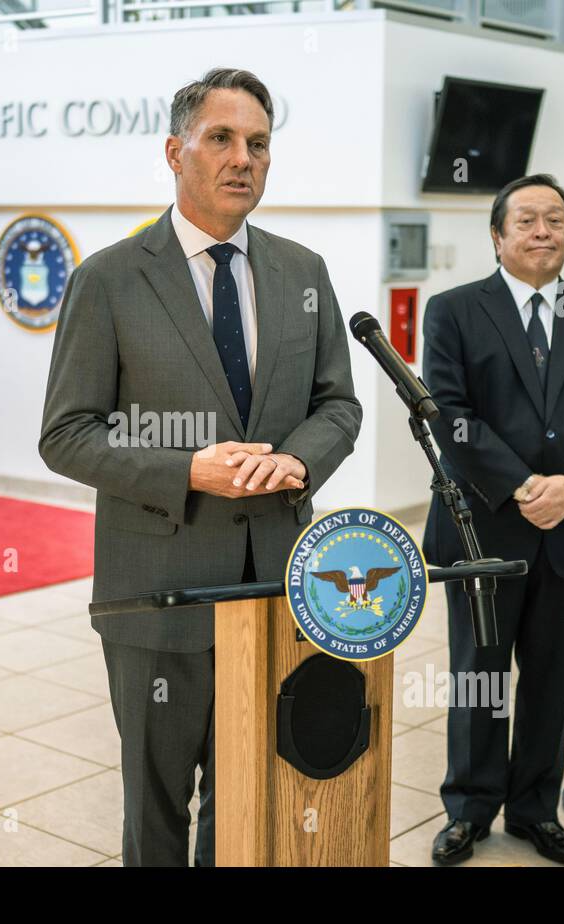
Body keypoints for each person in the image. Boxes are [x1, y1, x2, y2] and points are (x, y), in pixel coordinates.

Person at [39, 67, 362, 866]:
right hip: (158, 589)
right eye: (221, 138)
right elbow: (67, 434)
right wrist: (191, 469)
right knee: (157, 803)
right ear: (175, 151)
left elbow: (339, 406)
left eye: (258, 143)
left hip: (279, 585)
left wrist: (293, 459)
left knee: (248, 786)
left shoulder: (303, 272)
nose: (241, 158)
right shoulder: (109, 279)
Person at [421, 173, 564, 865]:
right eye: (528, 221)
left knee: (551, 676)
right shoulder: (453, 311)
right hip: (485, 529)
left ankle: (534, 809)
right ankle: (470, 807)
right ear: (497, 235)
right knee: (479, 673)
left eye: (555, 220)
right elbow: (448, 415)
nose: (544, 231)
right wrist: (521, 487)